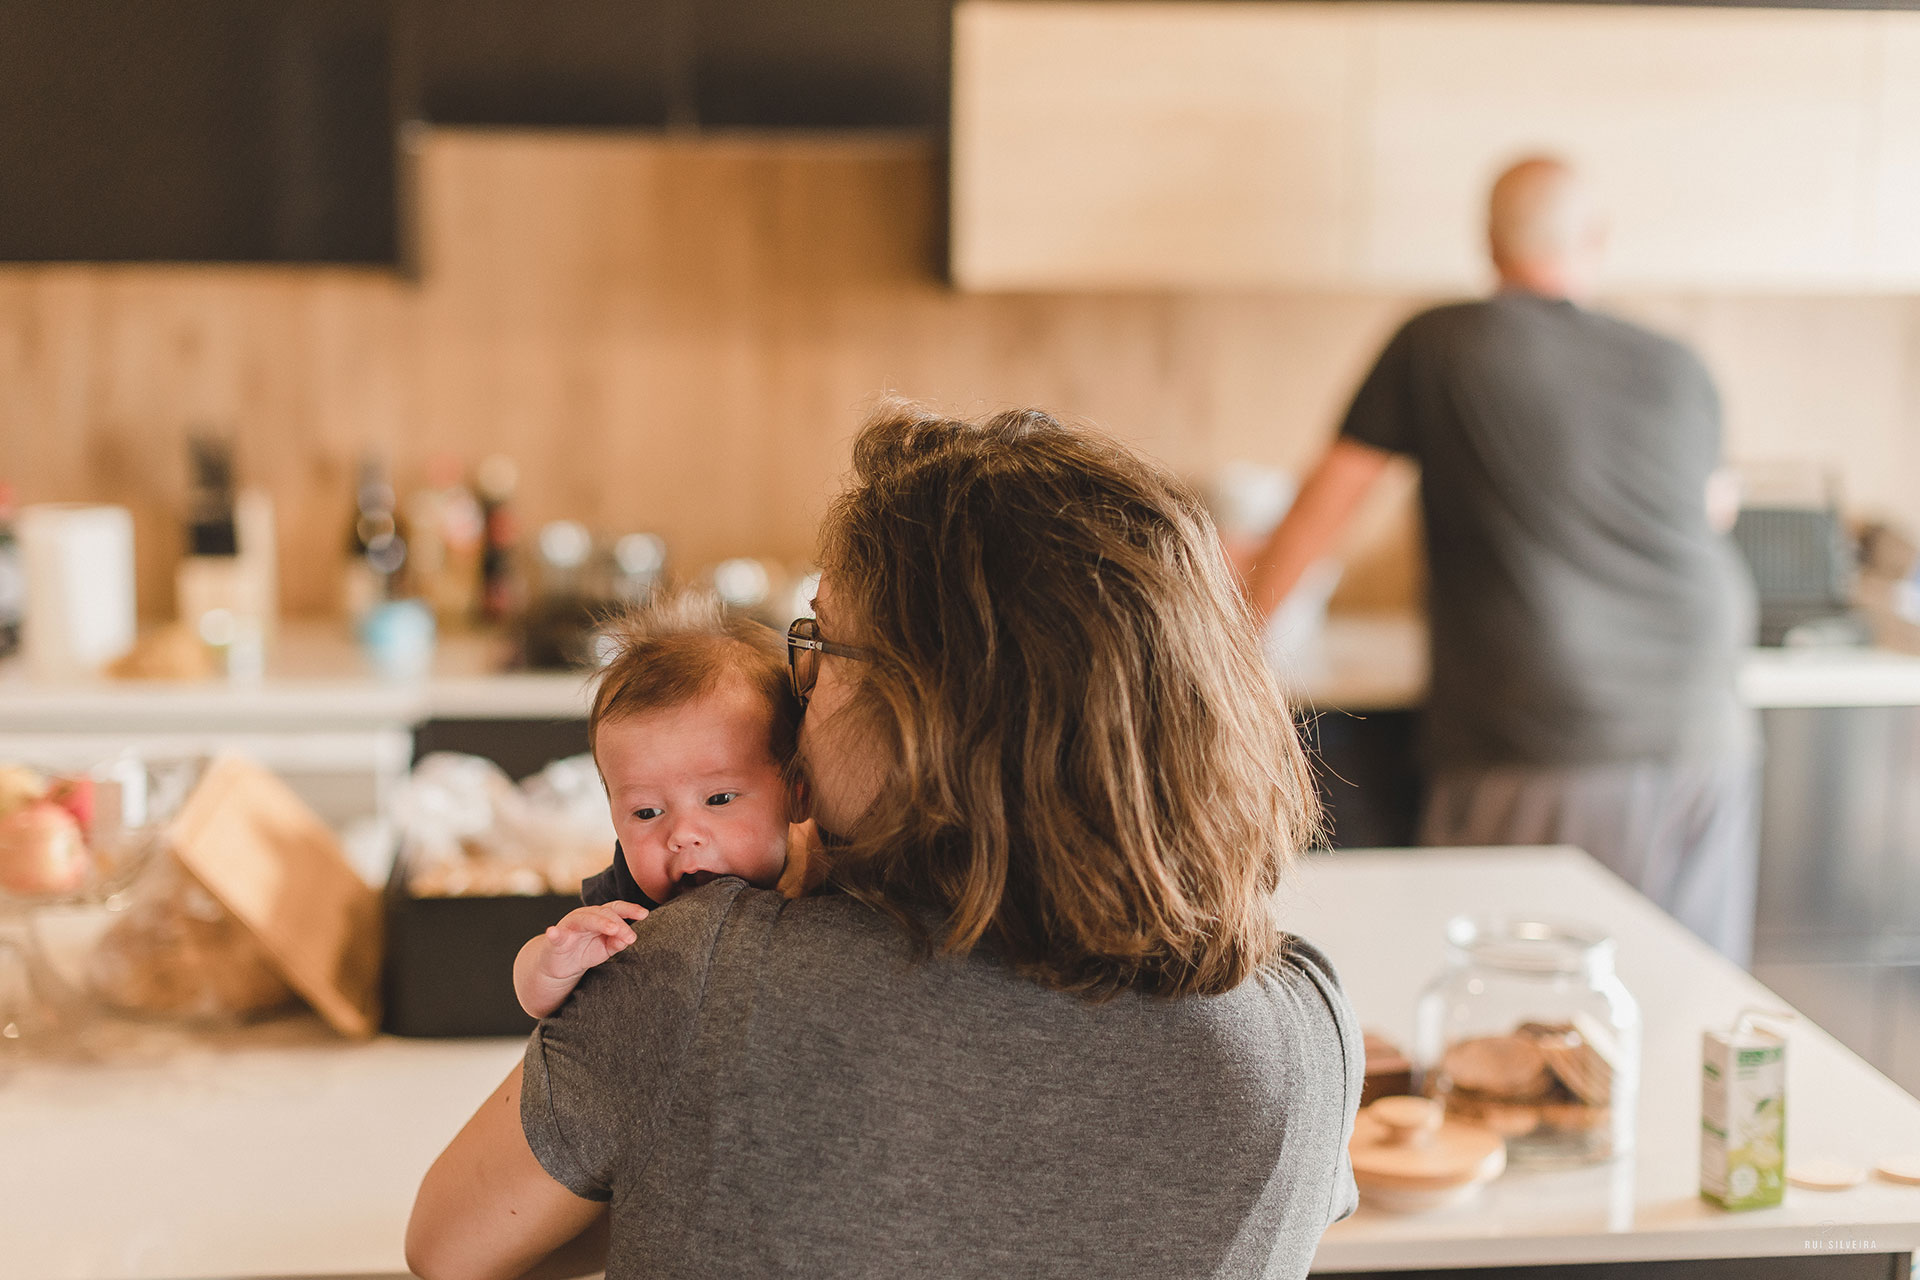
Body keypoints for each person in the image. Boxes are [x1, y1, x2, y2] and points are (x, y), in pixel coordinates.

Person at [408, 405, 1362, 1280]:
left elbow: (449, 1246)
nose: (799, 691)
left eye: (819, 646)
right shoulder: (1305, 1030)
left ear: (931, 715)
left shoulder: (698, 978)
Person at [1243, 156, 1759, 965]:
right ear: (1597, 239)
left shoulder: (1439, 340)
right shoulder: (1677, 363)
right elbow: (1710, 511)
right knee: (1679, 1000)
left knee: (1511, 1012)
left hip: (1552, 726)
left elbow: (1324, 511)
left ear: (1488, 242)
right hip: (1705, 719)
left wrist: (1227, 651)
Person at [512, 592, 820, 1019]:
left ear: (797, 793)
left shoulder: (821, 884)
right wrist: (555, 960)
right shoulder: (628, 904)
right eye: (646, 813)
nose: (682, 835)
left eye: (719, 799)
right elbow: (533, 998)